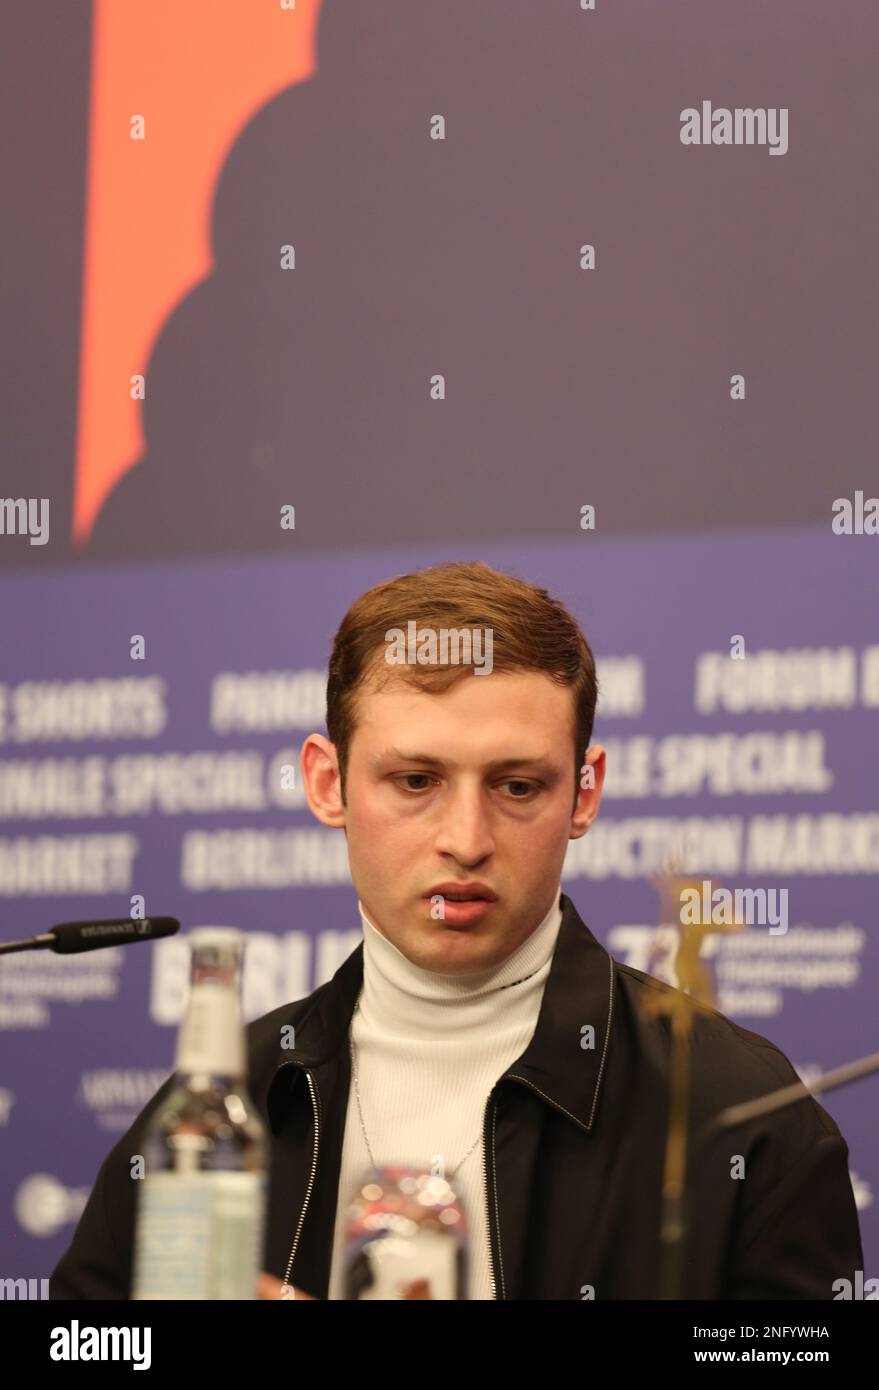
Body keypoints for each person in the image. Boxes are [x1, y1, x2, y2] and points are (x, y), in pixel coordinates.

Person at [50, 561, 863, 1300]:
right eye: (415, 780)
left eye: (516, 785)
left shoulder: (744, 1116)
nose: (466, 839)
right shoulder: (219, 1116)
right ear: (327, 784)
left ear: (583, 794)